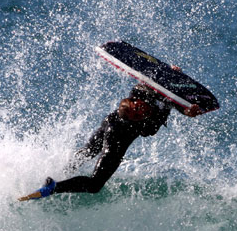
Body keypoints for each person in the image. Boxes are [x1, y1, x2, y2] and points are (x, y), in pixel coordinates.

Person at [18, 71, 201, 201]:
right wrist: (186, 110)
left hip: (110, 121)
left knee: (88, 151)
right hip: (116, 136)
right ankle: (53, 187)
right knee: (95, 185)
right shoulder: (146, 126)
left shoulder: (138, 92)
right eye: (138, 115)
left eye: (138, 109)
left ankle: (60, 174)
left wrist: (169, 75)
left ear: (136, 100)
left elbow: (162, 93)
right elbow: (168, 104)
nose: (142, 112)